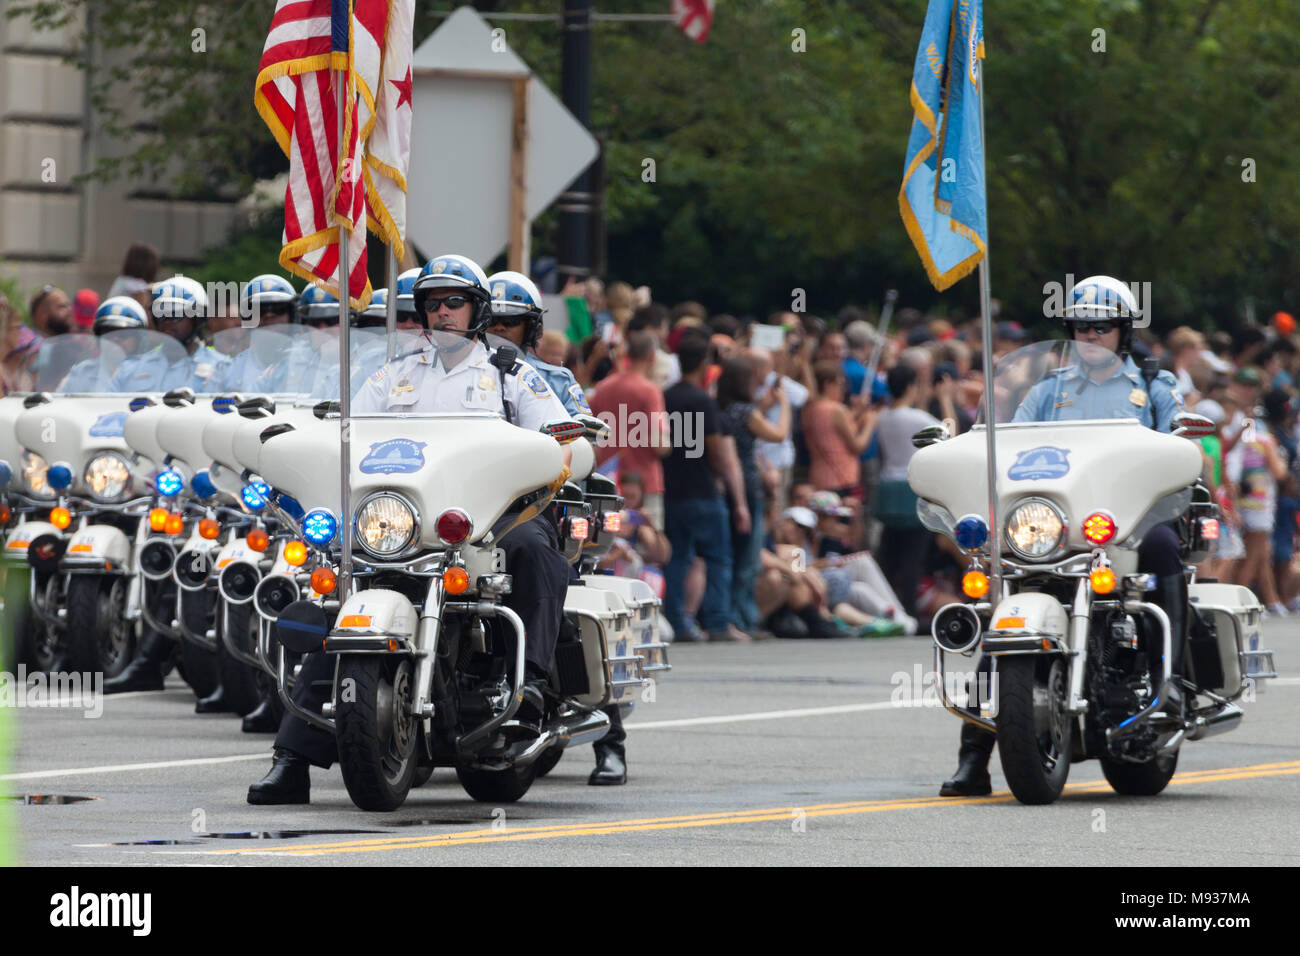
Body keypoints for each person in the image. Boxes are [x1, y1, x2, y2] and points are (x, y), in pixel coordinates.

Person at [249, 254, 577, 804]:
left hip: (492, 517)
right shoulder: (393, 373)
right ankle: (292, 759)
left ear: (477, 309)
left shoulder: (510, 372)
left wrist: (559, 444)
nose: (442, 312)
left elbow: (559, 437)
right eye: (432, 304)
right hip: (399, 521)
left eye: (455, 302)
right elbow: (344, 432)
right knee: (345, 602)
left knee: (535, 553)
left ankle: (533, 689)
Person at [940, 274, 1189, 797]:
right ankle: (973, 756)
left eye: (1100, 328)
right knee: (1003, 612)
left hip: (1126, 526)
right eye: (1080, 327)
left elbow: (1179, 450)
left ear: (1123, 330)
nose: (1090, 336)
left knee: (1166, 544)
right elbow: (1003, 448)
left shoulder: (1155, 388)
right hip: (1051, 530)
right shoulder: (1048, 392)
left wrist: (1179, 448)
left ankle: (1170, 681)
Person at [109, 276, 230, 393]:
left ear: (198, 318)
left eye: (175, 313)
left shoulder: (223, 369)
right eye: (160, 313)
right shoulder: (129, 370)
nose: (166, 321)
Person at [58, 296, 150, 392]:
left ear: (139, 340)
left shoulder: (152, 373)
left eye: (123, 334)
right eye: (108, 334)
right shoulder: (81, 372)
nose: (115, 338)